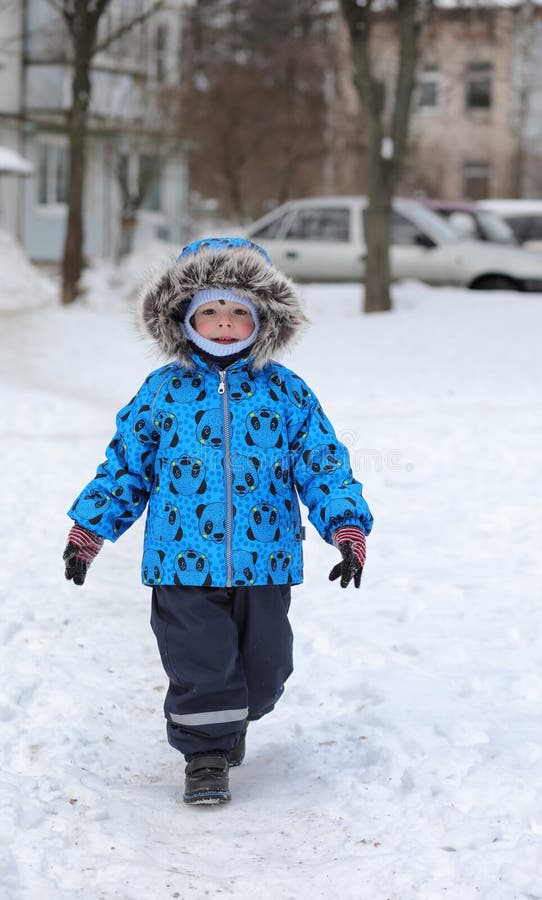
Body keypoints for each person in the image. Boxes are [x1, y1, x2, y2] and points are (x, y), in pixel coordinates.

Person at [63, 237, 373, 805]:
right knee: (201, 664)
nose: (225, 324)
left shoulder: (286, 392)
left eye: (238, 311)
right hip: (181, 559)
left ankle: (234, 718)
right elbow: (126, 468)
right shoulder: (163, 391)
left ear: (263, 318)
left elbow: (323, 464)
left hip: (266, 558)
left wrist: (346, 528)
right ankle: (205, 754)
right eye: (210, 310)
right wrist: (90, 530)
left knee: (267, 668)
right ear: (185, 318)